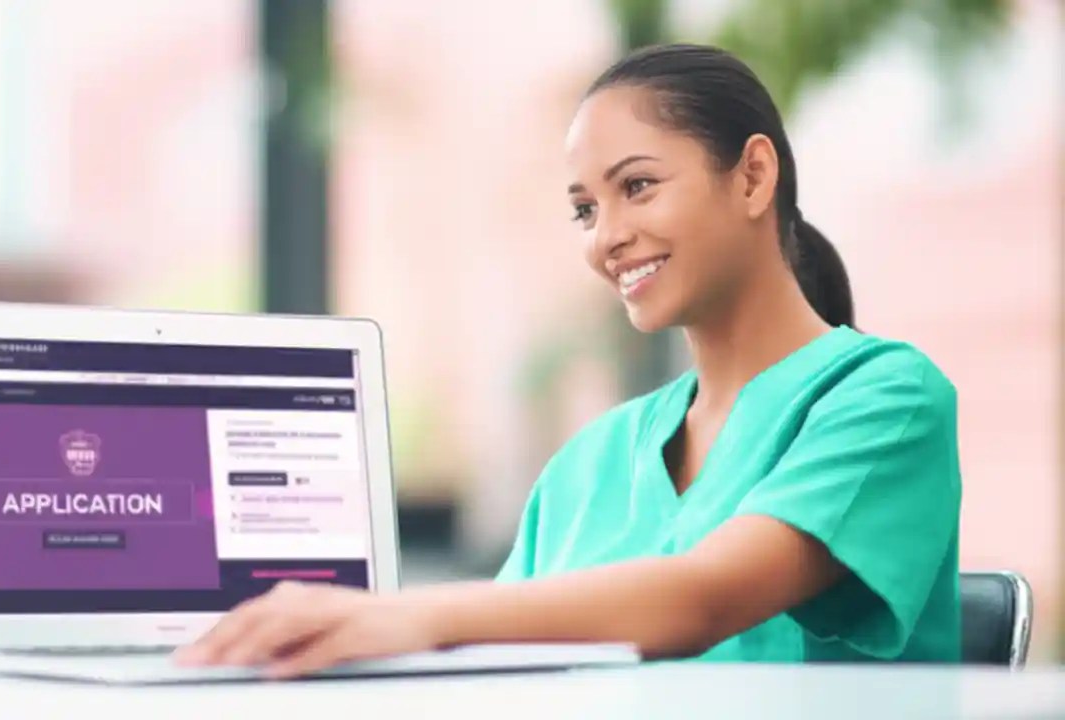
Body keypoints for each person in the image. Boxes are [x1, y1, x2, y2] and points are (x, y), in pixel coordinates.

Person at [173, 43, 962, 676]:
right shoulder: (588, 464)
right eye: (585, 208)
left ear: (753, 176)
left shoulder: (887, 399)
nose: (605, 236)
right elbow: (500, 666)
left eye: (639, 187)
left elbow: (704, 598)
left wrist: (398, 613)